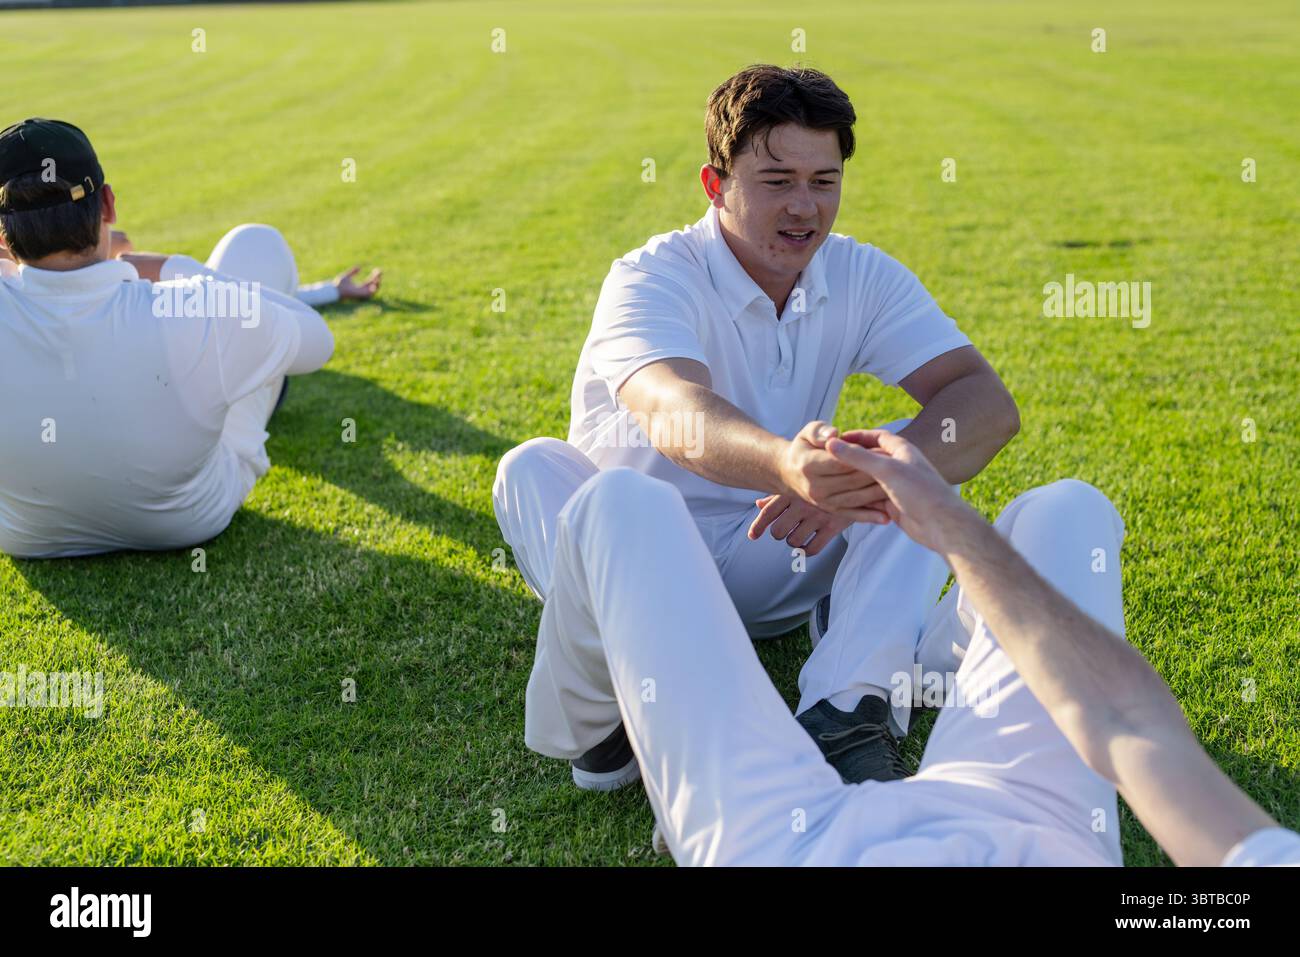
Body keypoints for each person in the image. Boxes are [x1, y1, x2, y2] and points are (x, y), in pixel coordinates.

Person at [494, 65, 1020, 790]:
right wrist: (786, 463)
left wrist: (850, 478)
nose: (804, 207)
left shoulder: (860, 273)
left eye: (823, 180)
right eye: (776, 181)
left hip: (779, 545)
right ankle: (622, 700)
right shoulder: (650, 276)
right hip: (639, 569)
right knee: (530, 468)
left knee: (904, 456)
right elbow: (675, 412)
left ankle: (846, 708)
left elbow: (986, 402)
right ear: (715, 186)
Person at [532, 430, 1299, 866]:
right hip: (1034, 817)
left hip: (788, 850)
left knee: (619, 504)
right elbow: (1131, 725)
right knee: (1069, 510)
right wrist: (945, 521)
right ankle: (932, 673)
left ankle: (586, 735)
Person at [0, 117, 377, 559]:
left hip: (27, 536)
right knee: (256, 245)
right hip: (186, 521)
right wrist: (166, 266)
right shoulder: (193, 302)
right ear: (108, 203)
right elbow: (318, 344)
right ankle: (255, 370)